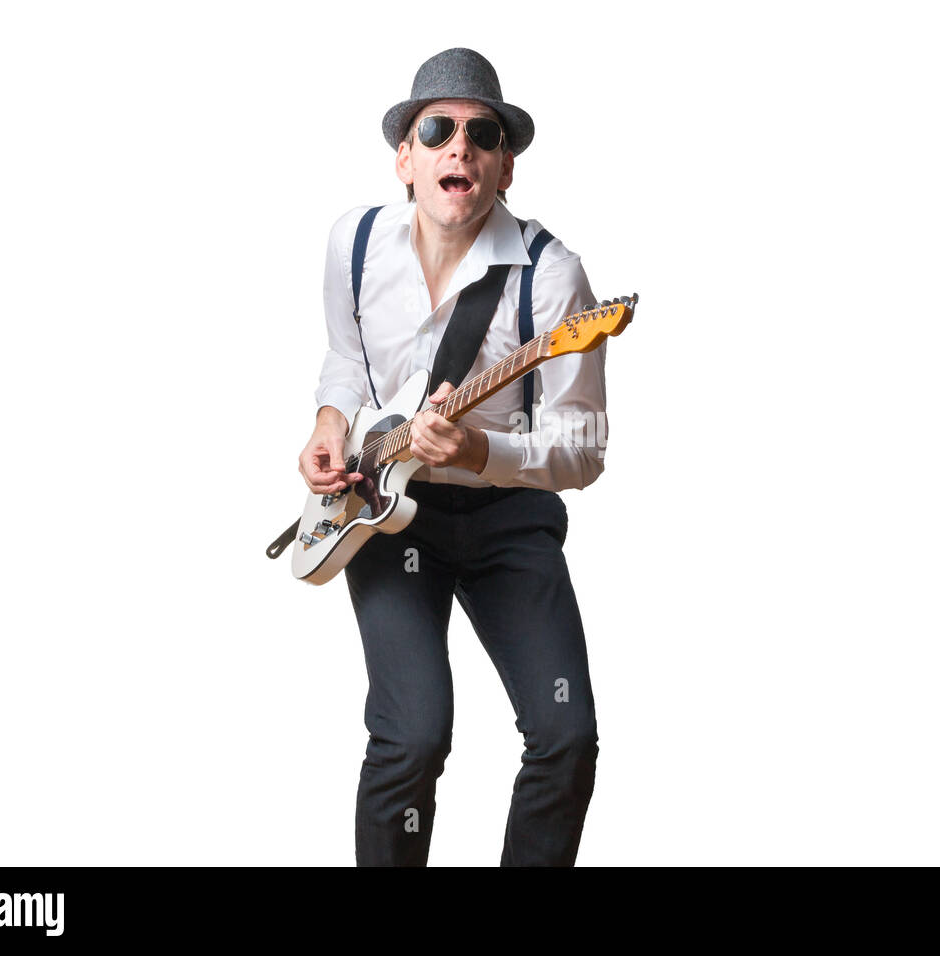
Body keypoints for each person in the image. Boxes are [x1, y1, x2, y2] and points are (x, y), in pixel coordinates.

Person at [296, 48, 608, 867]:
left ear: (505, 166)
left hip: (508, 521)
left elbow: (586, 447)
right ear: (406, 157)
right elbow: (345, 363)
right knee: (413, 737)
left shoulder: (552, 275)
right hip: (390, 516)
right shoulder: (354, 245)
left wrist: (480, 449)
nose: (458, 146)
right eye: (436, 129)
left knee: (566, 736)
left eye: (483, 133)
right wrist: (330, 424)